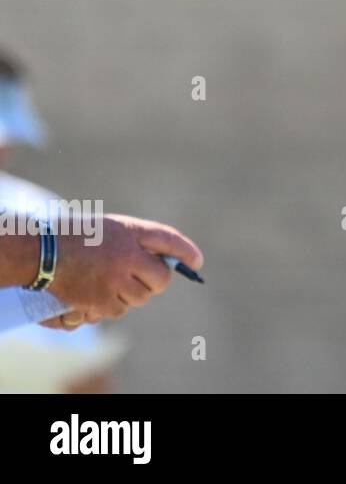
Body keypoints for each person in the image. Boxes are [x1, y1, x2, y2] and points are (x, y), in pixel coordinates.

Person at [0, 50, 205, 348]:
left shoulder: (40, 209)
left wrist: (47, 273)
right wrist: (50, 255)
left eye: (8, 141)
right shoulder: (47, 222)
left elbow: (84, 372)